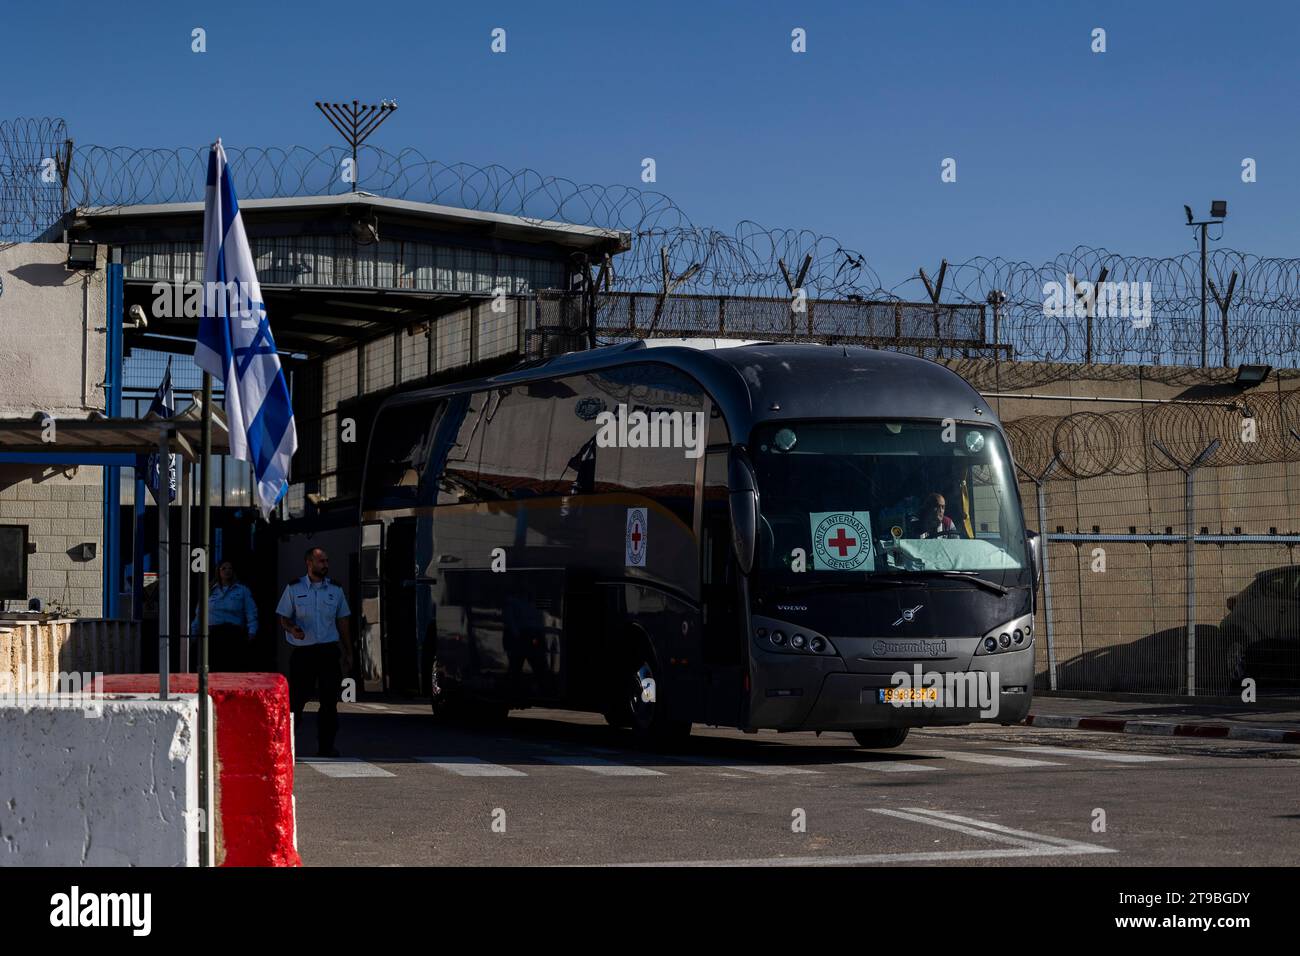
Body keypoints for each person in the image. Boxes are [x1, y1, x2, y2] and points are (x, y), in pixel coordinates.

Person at [276, 547, 352, 758]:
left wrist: (348, 651)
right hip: (303, 653)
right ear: (309, 563)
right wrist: (292, 628)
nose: (325, 565)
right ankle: (285, 747)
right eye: (321, 561)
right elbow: (283, 616)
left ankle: (326, 747)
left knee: (329, 702)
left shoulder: (335, 590)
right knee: (297, 701)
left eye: (326, 561)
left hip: (328, 652)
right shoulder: (294, 588)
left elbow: (343, 621)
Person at [191, 560, 258, 672]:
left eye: (230, 568)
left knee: (232, 668)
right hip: (212, 635)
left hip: (233, 634)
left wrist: (252, 631)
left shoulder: (242, 590)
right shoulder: (209, 590)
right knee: (213, 668)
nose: (227, 571)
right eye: (224, 568)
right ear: (218, 571)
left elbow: (251, 612)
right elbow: (199, 614)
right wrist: (193, 634)